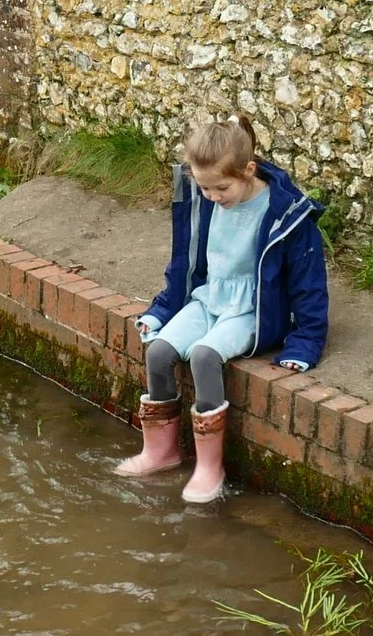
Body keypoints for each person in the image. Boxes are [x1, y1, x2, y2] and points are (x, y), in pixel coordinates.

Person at [113, 114, 329, 503]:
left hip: (251, 310)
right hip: (210, 297)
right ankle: (161, 451)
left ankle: (209, 467)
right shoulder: (201, 200)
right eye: (204, 187)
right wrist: (162, 310)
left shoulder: (286, 213)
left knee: (204, 356)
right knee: (158, 351)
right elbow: (185, 262)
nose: (212, 196)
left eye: (221, 188)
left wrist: (305, 342)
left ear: (248, 170)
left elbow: (308, 283)